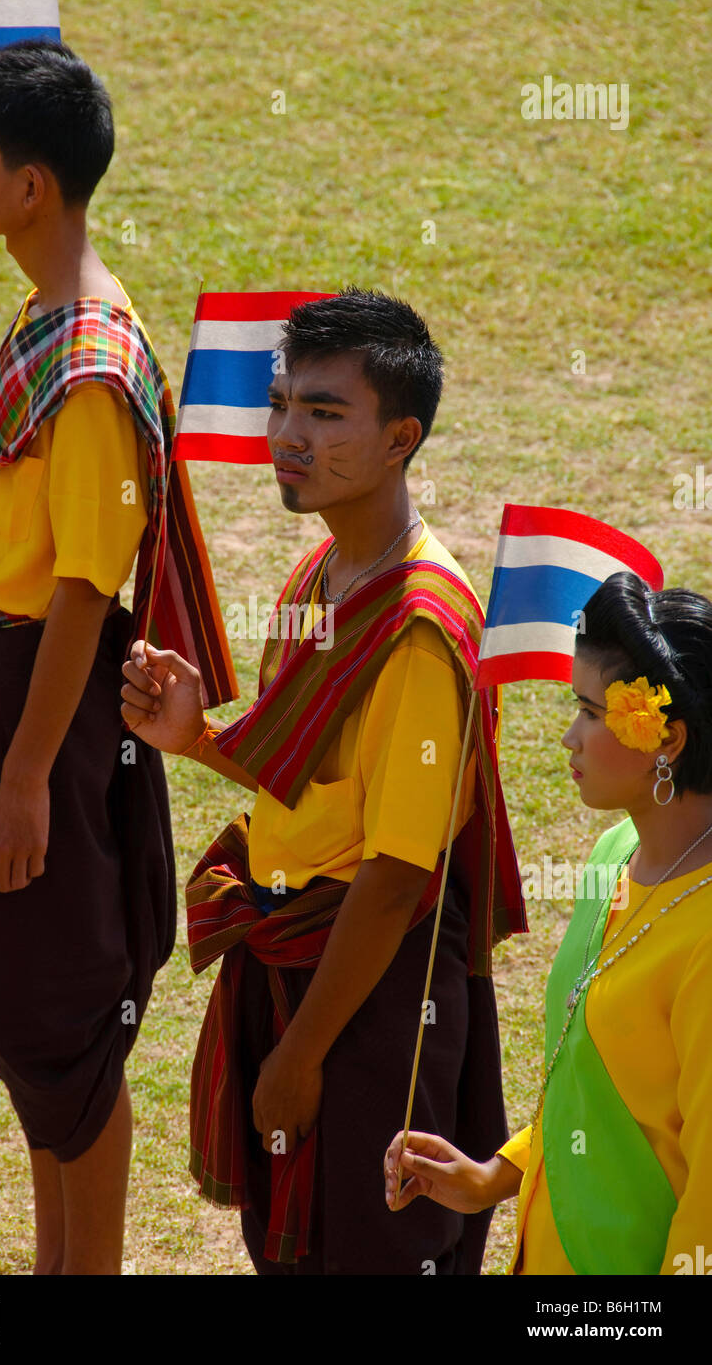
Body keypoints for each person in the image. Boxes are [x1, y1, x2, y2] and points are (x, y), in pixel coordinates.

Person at [0, 40, 233, 1274]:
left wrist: (23, 779)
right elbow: (29, 542)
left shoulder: (86, 368)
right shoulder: (43, 312)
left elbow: (82, 589)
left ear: (31, 185)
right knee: (24, 1022)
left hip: (42, 710)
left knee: (67, 1024)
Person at [121, 288, 526, 1275]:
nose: (287, 435)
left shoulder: (420, 631)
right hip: (295, 963)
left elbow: (392, 880)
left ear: (400, 438)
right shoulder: (317, 581)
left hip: (370, 998)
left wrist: (299, 1054)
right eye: (280, 403)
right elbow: (308, 770)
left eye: (324, 412)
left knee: (373, 1244)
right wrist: (196, 738)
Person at [384, 571, 712, 1275]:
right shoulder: (612, 856)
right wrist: (495, 1175)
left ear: (667, 737)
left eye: (590, 713)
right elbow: (599, 1085)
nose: (568, 736)